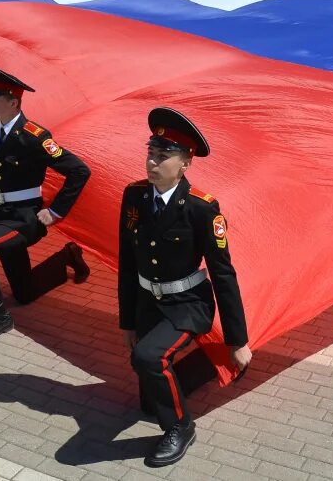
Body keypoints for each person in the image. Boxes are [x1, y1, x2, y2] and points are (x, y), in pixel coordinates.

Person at [118, 107, 250, 467]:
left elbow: (224, 274)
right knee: (147, 388)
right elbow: (127, 263)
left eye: (163, 156)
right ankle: (203, 367)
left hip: (188, 302)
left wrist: (237, 341)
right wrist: (127, 321)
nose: (152, 162)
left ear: (186, 163)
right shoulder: (134, 197)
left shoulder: (202, 209)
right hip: (148, 300)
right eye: (150, 153)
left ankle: (180, 427)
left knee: (149, 357)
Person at [0, 63, 91, 345]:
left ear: (13, 102)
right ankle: (67, 257)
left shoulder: (34, 136)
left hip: (24, 218)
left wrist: (55, 212)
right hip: (0, 213)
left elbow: (79, 171)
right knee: (24, 293)